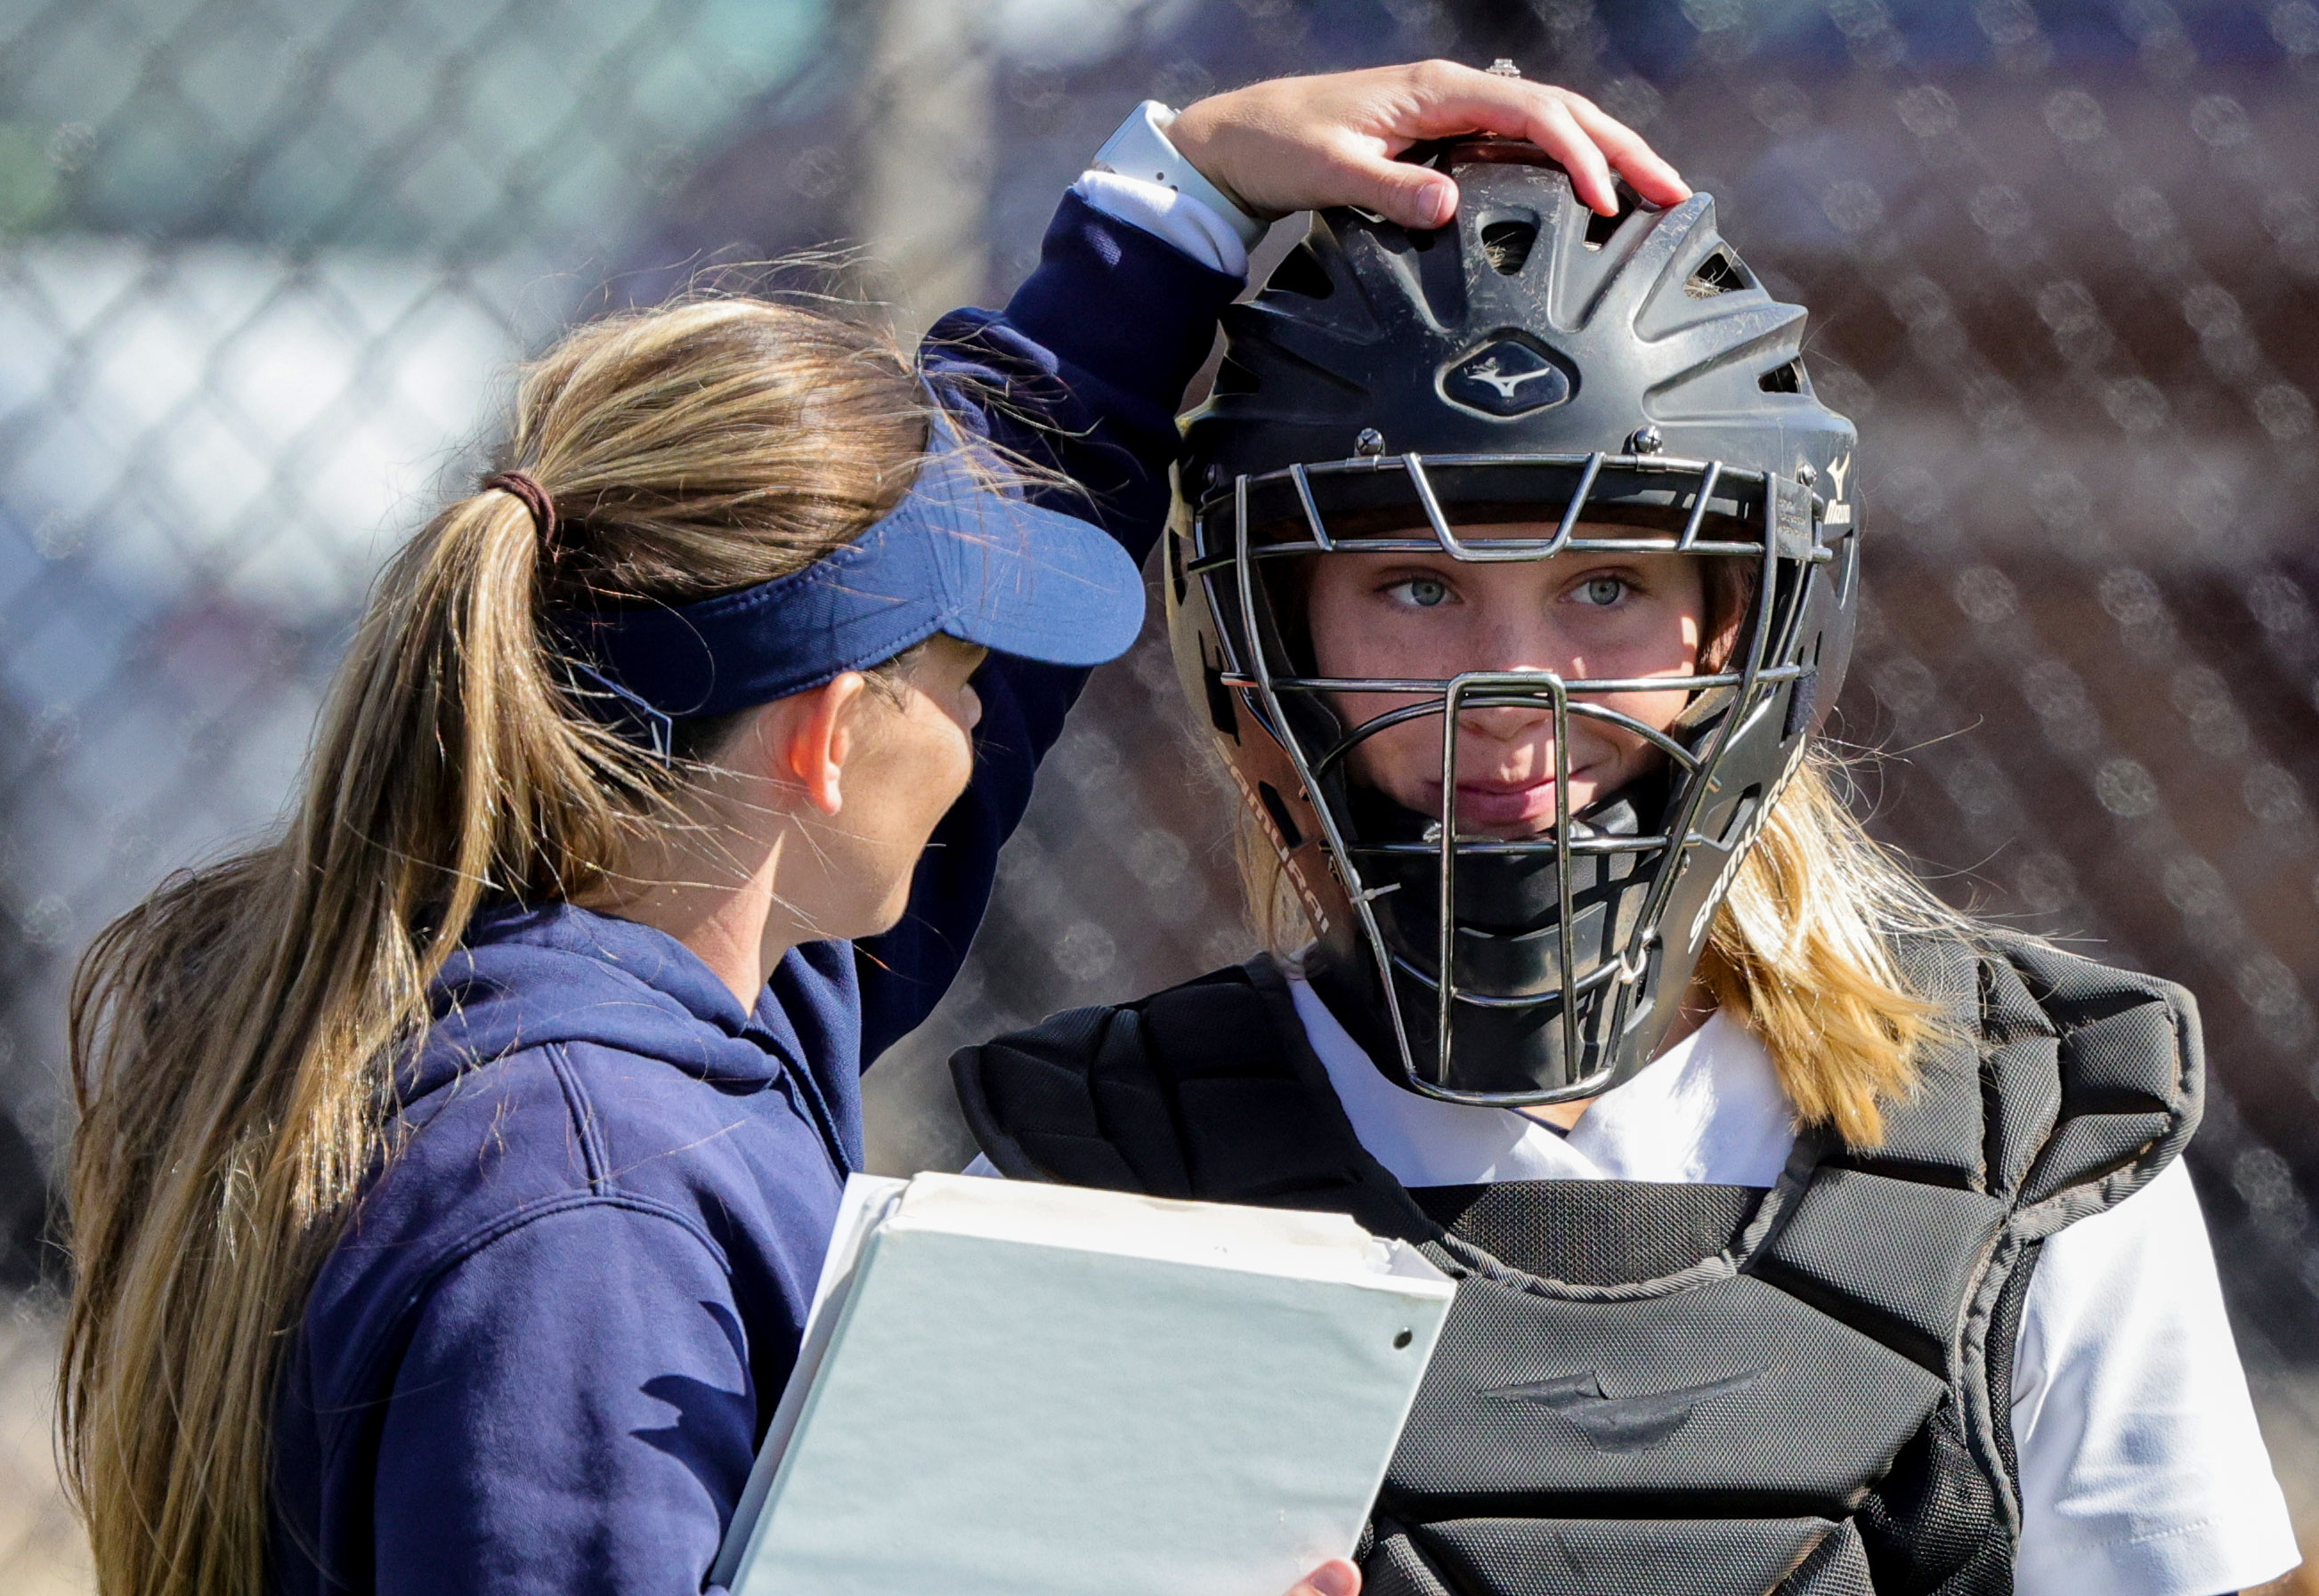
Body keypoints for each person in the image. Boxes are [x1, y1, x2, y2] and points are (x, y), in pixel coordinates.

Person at [55, 64, 1690, 1596]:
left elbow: (965, 522)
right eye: (966, 675)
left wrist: (1177, 199)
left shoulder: (630, 1007)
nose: (992, 728)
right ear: (829, 743)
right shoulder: (588, 1218)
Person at [953, 122, 2304, 1596]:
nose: (1514, 687)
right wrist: (1175, 182)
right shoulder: (1091, 1179)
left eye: (1607, 582)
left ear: (1745, 629)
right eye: (1413, 586)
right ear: (1270, 637)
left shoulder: (2029, 1136)